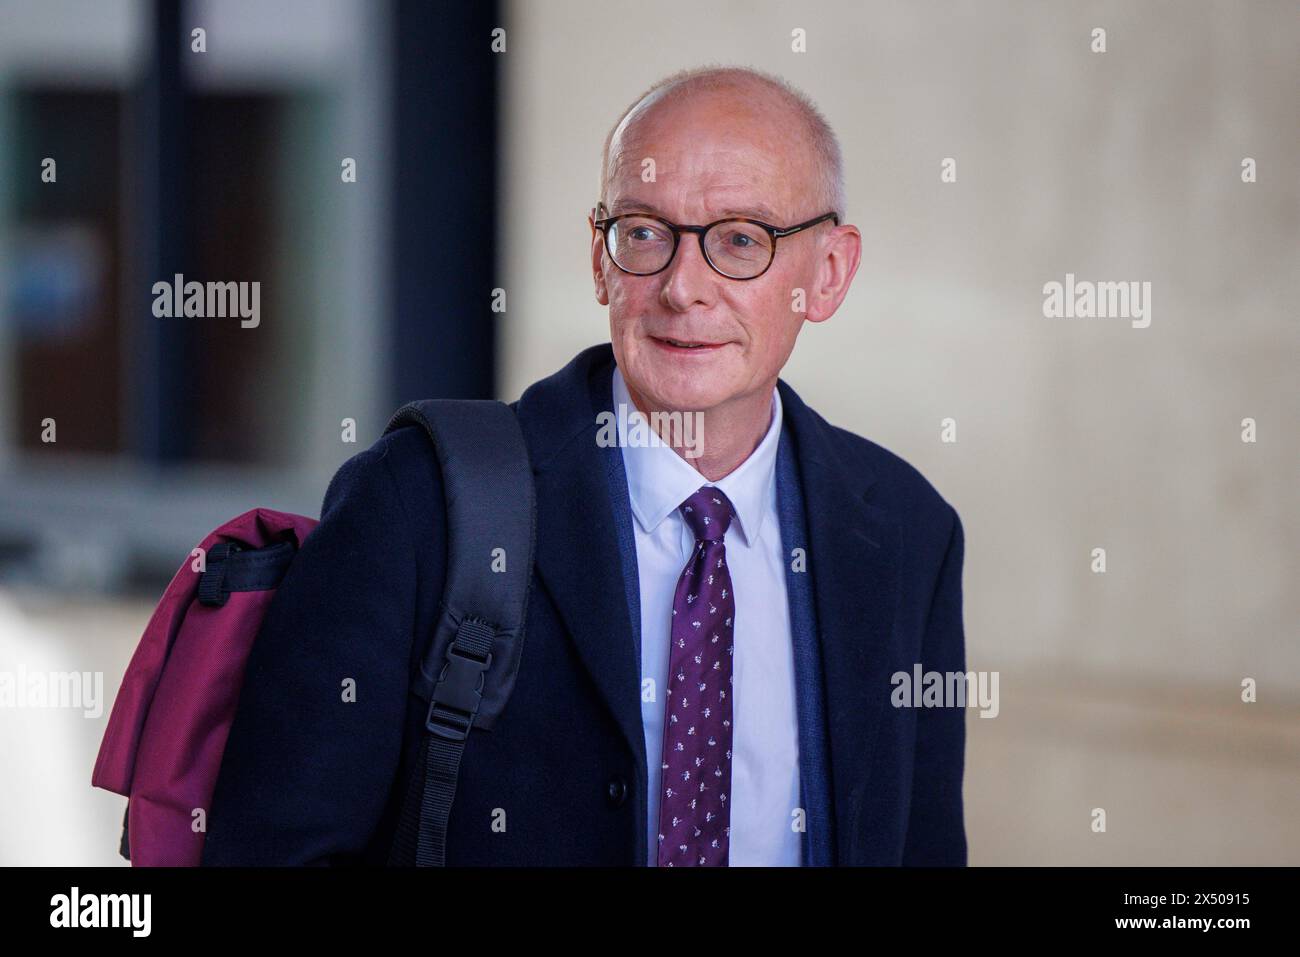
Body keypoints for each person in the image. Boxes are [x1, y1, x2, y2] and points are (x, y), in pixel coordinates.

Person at [202, 65, 967, 867]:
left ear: (829, 273)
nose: (682, 287)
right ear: (601, 259)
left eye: (741, 240)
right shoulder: (418, 501)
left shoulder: (906, 533)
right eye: (644, 232)